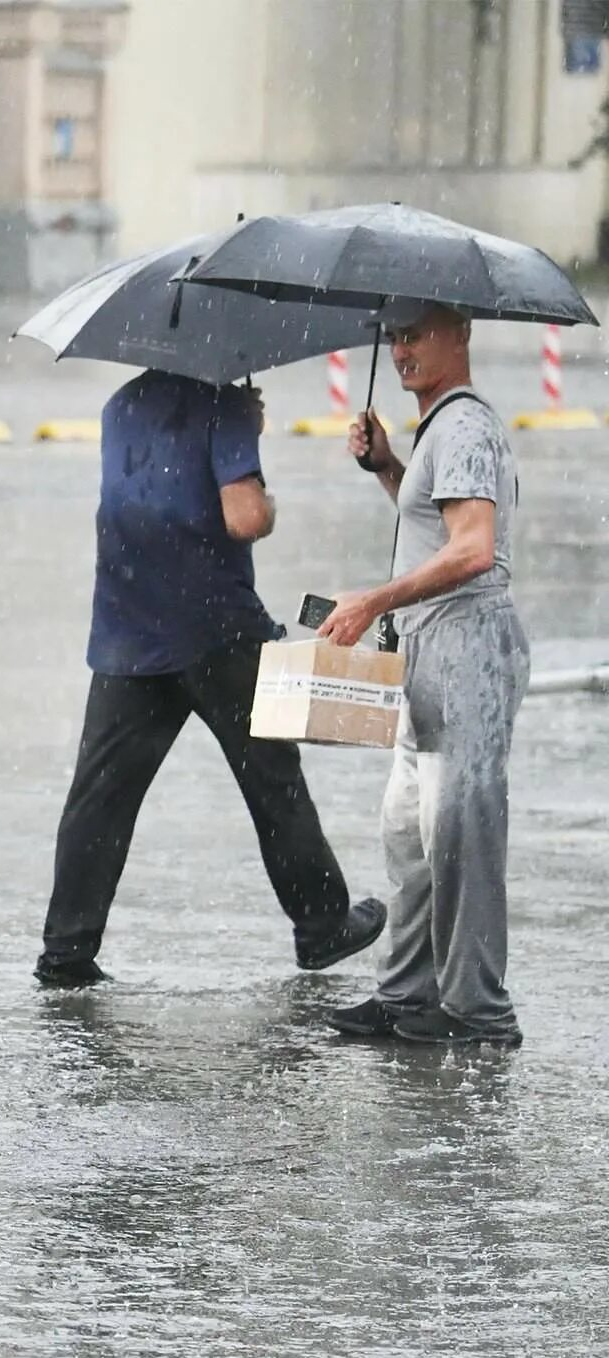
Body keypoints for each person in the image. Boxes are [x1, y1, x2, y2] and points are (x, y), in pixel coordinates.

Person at [35, 369, 386, 988]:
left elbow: (138, 500)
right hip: (213, 626)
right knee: (272, 778)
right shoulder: (225, 403)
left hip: (127, 623)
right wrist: (260, 476)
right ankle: (323, 925)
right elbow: (244, 517)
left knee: (101, 796)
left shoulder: (119, 404)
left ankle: (66, 949)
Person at [321, 305, 529, 1047]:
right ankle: (407, 994)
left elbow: (473, 548)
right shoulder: (438, 426)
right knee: (410, 835)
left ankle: (479, 1014)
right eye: (395, 334)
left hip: (466, 650)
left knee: (460, 839)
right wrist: (387, 468)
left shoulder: (465, 425)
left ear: (462, 332)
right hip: (430, 653)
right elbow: (441, 528)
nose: (401, 348)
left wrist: (373, 598)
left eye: (418, 332)